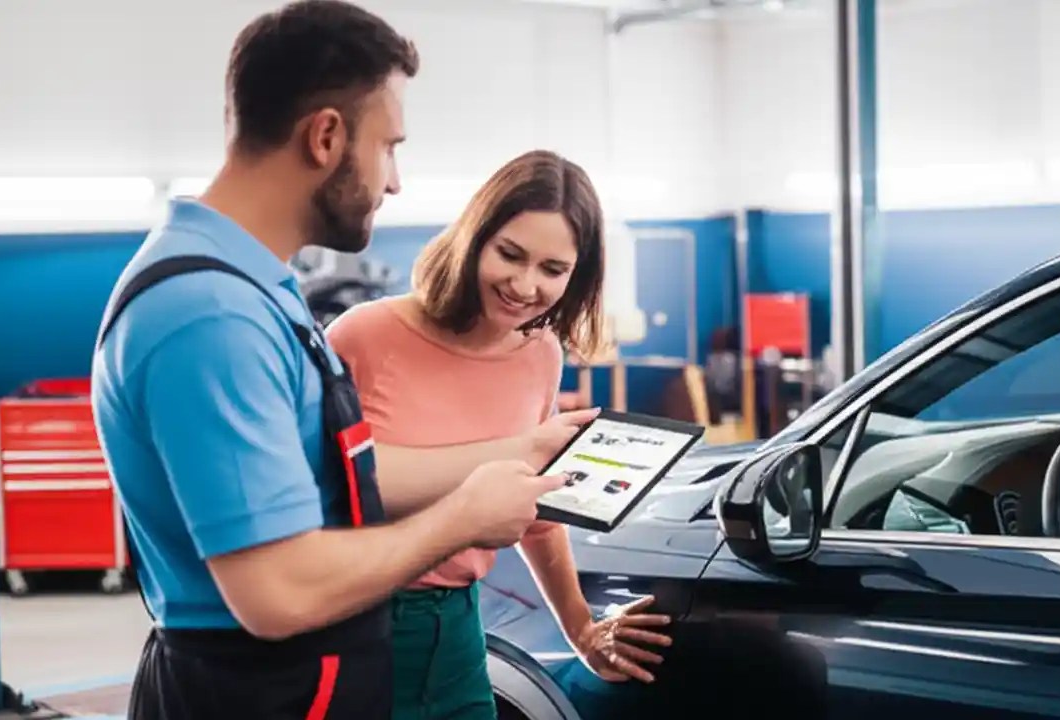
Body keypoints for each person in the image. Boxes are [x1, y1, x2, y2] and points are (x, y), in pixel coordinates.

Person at [90, 3, 565, 718]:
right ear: (326, 136)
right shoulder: (211, 315)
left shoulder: (257, 290)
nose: (394, 180)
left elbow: (339, 476)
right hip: (252, 691)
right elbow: (280, 592)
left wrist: (521, 451)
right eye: (389, 147)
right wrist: (461, 517)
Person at [325, 149, 674, 719]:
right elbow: (318, 487)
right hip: (352, 628)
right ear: (473, 238)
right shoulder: (363, 337)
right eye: (509, 254)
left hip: (458, 630)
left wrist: (583, 629)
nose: (523, 285)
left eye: (552, 270)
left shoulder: (539, 355)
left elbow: (534, 513)